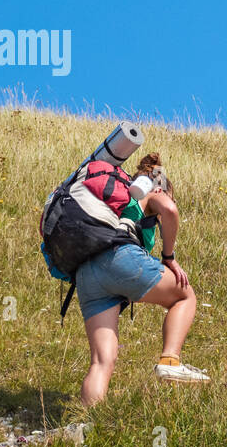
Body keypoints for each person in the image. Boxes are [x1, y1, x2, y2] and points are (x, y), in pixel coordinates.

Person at [75, 152, 210, 406]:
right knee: (185, 295)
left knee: (101, 361)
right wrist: (168, 256)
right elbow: (169, 209)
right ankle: (170, 360)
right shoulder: (150, 191)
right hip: (119, 256)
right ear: (162, 188)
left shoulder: (115, 198)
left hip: (86, 273)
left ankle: (86, 425)